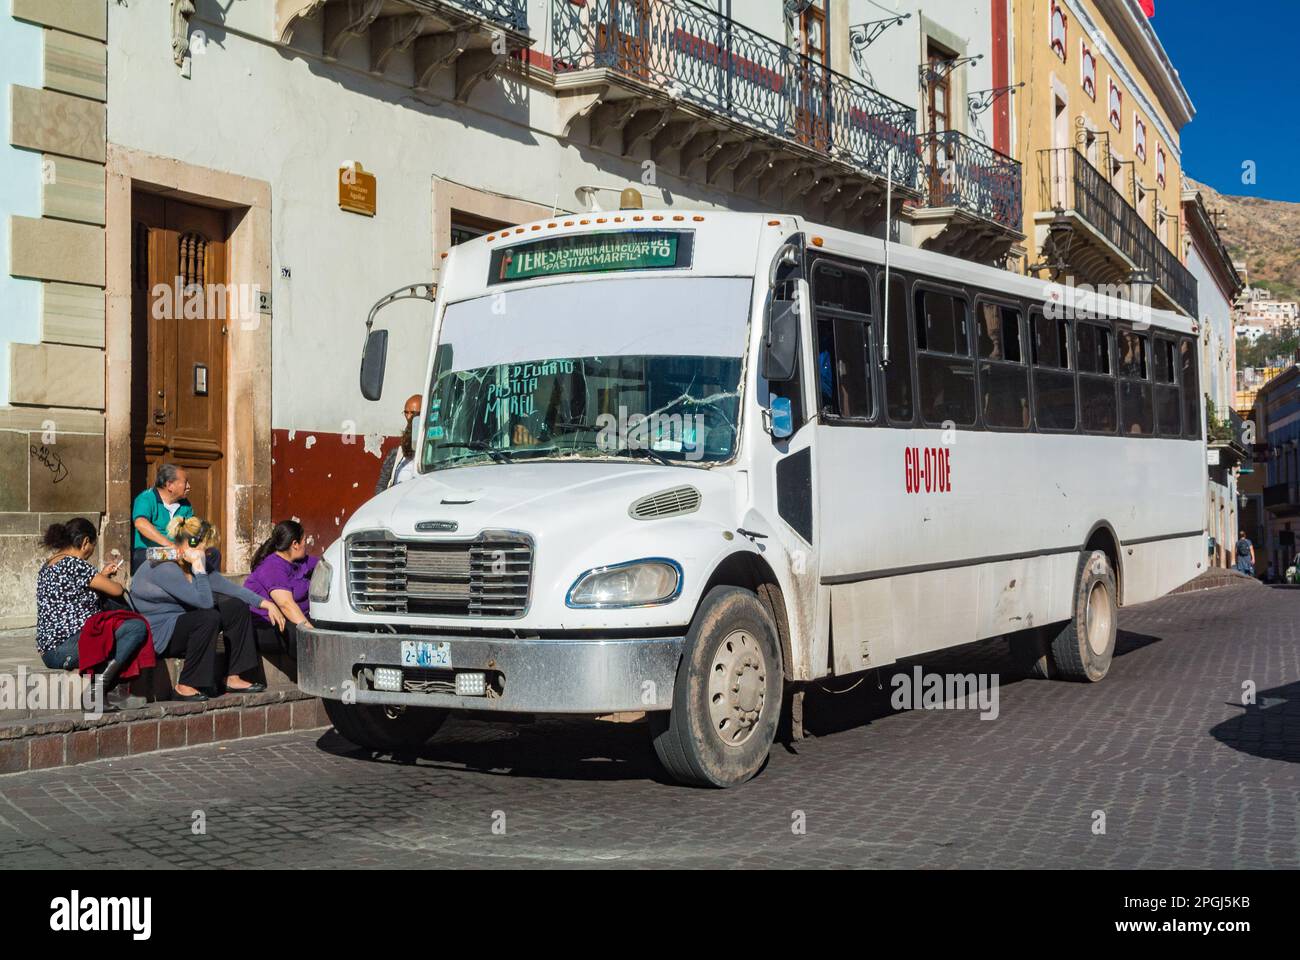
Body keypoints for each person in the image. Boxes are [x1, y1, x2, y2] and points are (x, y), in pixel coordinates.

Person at [129, 516, 285, 702]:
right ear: (190, 543)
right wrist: (200, 570)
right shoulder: (164, 566)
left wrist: (265, 603)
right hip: (160, 633)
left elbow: (228, 587)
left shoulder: (186, 560)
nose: (209, 552)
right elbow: (204, 603)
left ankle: (233, 677)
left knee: (236, 605)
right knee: (208, 617)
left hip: (181, 620)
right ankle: (185, 685)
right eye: (205, 546)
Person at [35, 518, 155, 709]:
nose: (91, 551)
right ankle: (97, 692)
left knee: (115, 632)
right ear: (84, 542)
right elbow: (116, 590)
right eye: (92, 545)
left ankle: (114, 692)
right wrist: (118, 581)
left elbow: (78, 588)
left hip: (49, 648)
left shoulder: (49, 564)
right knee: (135, 628)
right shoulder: (76, 564)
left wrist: (102, 576)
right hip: (66, 646)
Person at [244, 520, 318, 660]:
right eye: (304, 541)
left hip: (292, 621)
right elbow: (286, 605)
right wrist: (312, 634)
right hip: (266, 627)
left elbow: (326, 564)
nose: (305, 545)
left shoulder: (300, 561)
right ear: (295, 544)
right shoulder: (272, 567)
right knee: (301, 638)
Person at [130, 464, 193, 573]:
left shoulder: (185, 505)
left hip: (178, 551)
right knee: (169, 561)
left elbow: (191, 530)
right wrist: (170, 546)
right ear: (170, 485)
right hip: (148, 552)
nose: (189, 486)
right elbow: (140, 523)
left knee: (212, 554)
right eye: (185, 482)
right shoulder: (146, 498)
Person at [376, 394, 421, 493]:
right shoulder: (398, 453)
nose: (409, 417)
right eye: (406, 413)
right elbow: (382, 482)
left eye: (413, 413)